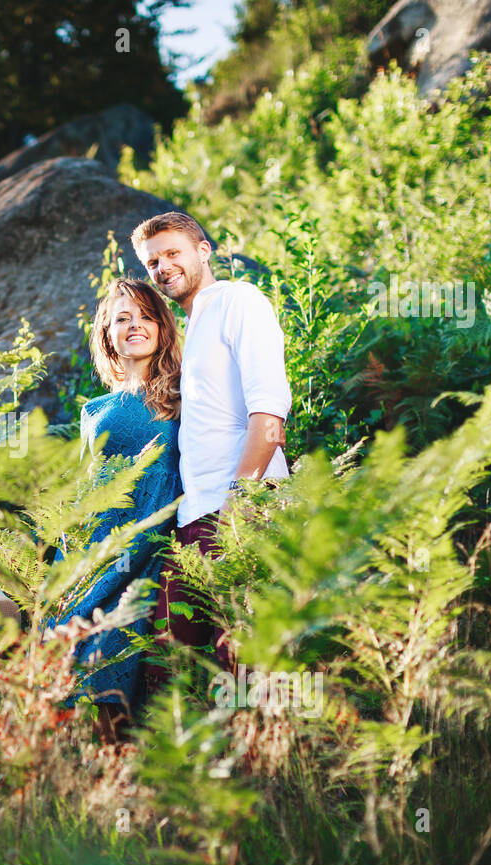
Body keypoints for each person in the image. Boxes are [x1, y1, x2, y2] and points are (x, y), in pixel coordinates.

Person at [129, 211, 291, 691]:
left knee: (242, 658)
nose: (162, 267)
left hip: (243, 509)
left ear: (204, 250)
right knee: (169, 665)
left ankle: (267, 759)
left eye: (172, 252)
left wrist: (241, 501)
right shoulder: (190, 329)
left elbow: (269, 409)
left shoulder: (238, 300)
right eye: (152, 261)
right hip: (194, 521)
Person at [43, 277, 184, 744]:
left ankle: (125, 771)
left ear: (163, 327)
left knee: (120, 643)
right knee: (64, 637)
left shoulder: (183, 393)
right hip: (97, 547)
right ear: (106, 334)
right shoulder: (94, 408)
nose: (135, 325)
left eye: (145, 315)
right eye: (122, 318)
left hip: (154, 541)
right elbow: (88, 488)